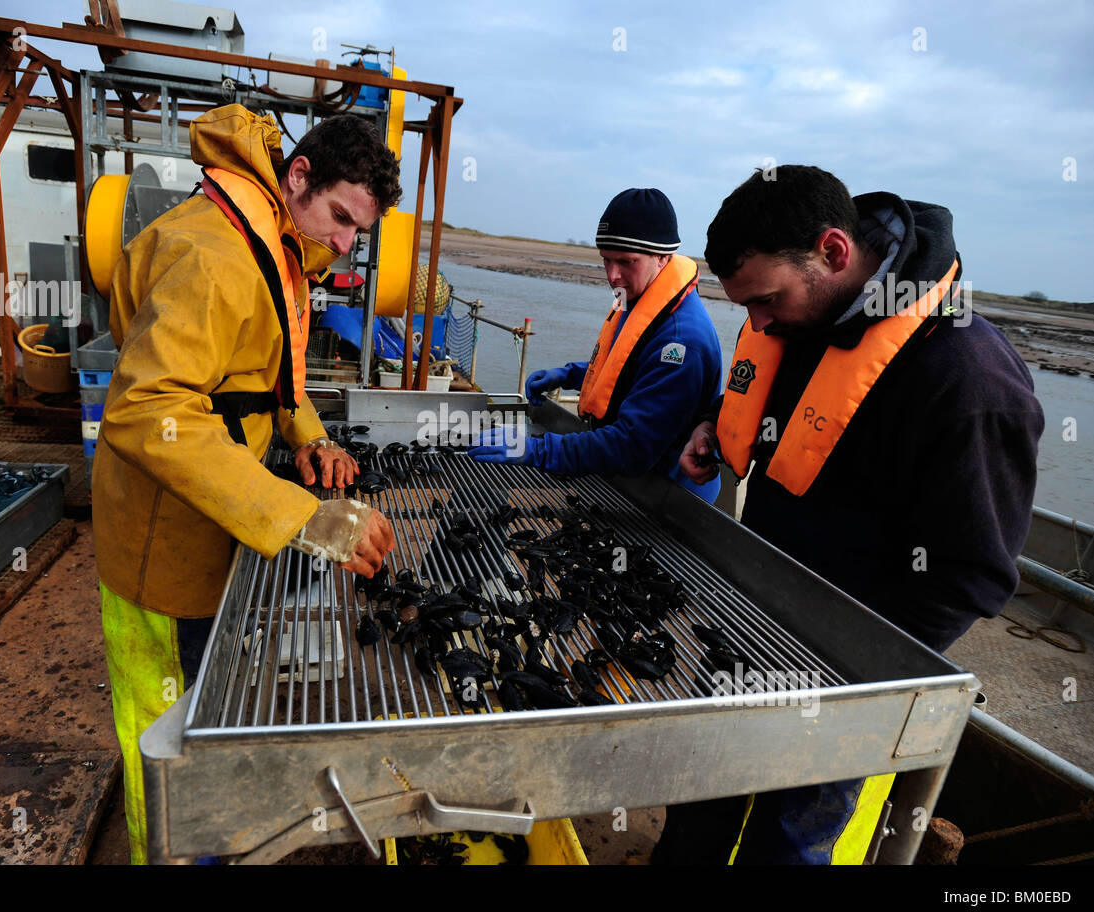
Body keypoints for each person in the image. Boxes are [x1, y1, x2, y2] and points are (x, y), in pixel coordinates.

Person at [659, 164, 1043, 865]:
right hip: (748, 628)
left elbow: (973, 576)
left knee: (788, 843)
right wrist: (717, 427)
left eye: (767, 299)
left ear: (834, 252)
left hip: (842, 680)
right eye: (746, 306)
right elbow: (786, 413)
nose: (759, 322)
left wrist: (851, 673)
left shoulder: (970, 380)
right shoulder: (807, 314)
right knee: (697, 805)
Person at [91, 106, 400, 863]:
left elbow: (275, 378)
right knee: (158, 745)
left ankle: (204, 838)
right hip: (157, 553)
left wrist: (313, 437)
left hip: (214, 528)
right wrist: (313, 519)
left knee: (206, 711)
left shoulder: (280, 246)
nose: (345, 242)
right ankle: (160, 852)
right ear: (298, 177)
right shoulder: (212, 255)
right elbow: (145, 409)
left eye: (359, 229)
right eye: (339, 217)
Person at [468, 188, 722, 501]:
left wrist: (535, 449)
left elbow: (632, 446)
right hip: (628, 482)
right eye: (606, 260)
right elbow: (627, 366)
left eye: (627, 261)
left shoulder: (681, 343)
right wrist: (572, 374)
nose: (613, 276)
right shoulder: (634, 296)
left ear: (662, 257)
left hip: (669, 500)